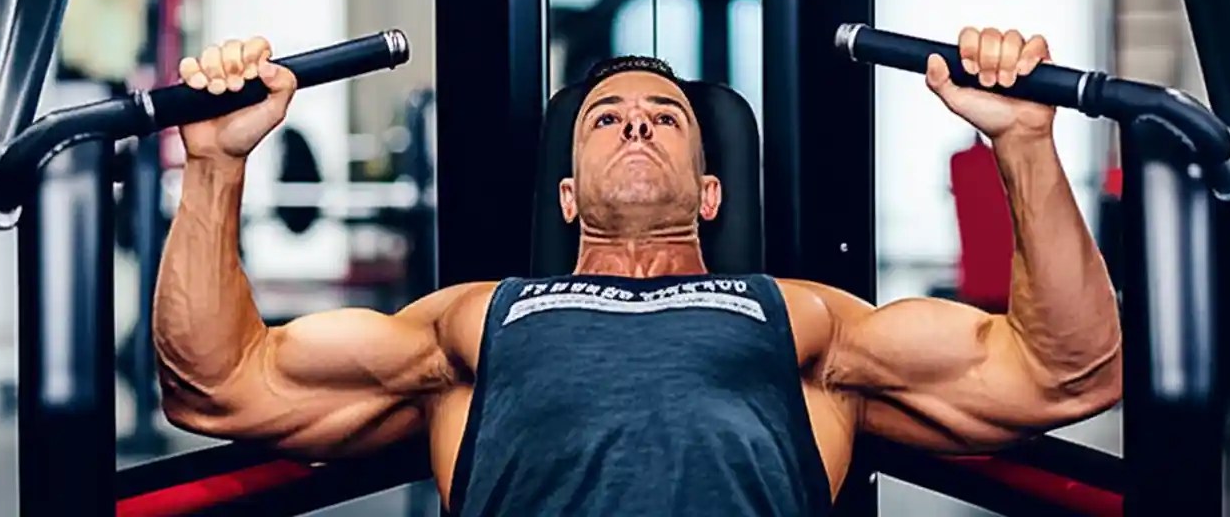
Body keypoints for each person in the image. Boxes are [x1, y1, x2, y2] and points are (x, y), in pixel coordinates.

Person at [154, 27, 1122, 517]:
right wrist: (213, 164)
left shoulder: (804, 323)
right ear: (565, 195)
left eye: (663, 116)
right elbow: (218, 384)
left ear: (710, 194)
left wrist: (1022, 143)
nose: (634, 121)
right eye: (604, 115)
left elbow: (1065, 372)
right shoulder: (469, 323)